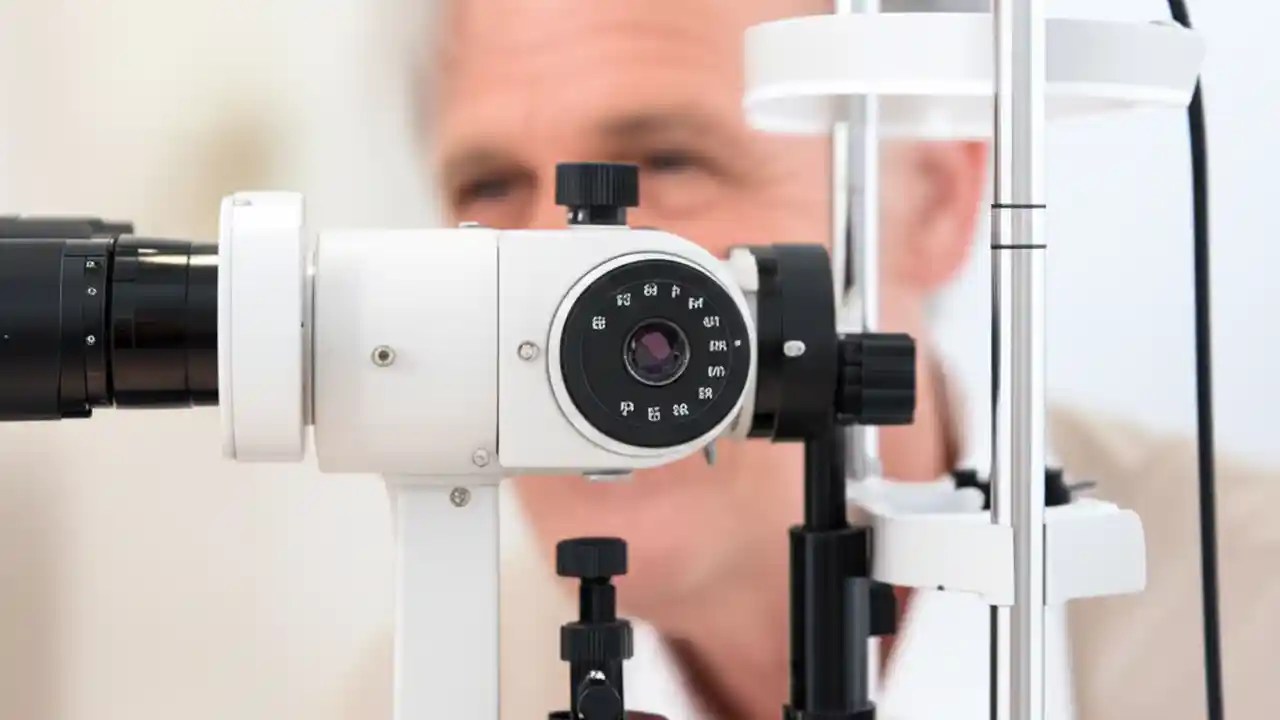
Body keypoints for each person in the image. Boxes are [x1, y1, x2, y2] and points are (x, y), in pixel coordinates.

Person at [415, 0, 1280, 718]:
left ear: (933, 205)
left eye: (673, 163)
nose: (560, 291)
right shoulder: (412, 686)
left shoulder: (1252, 630)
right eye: (490, 188)